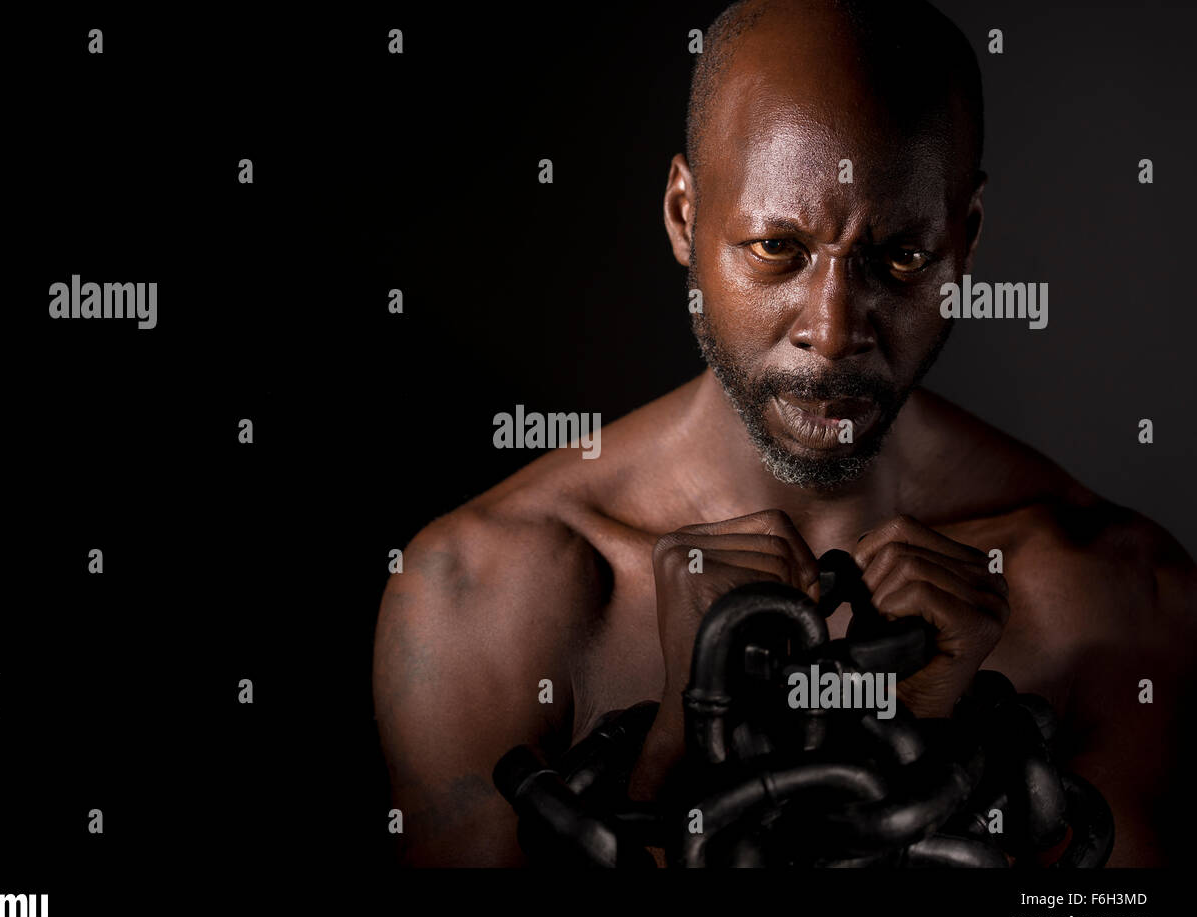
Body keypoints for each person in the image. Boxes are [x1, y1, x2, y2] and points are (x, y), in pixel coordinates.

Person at [373, 0, 1196, 866]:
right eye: (776, 247)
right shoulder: (481, 595)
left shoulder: (1120, 599)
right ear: (685, 216)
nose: (835, 330)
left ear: (968, 237)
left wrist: (921, 746)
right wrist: (676, 751)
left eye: (902, 258)